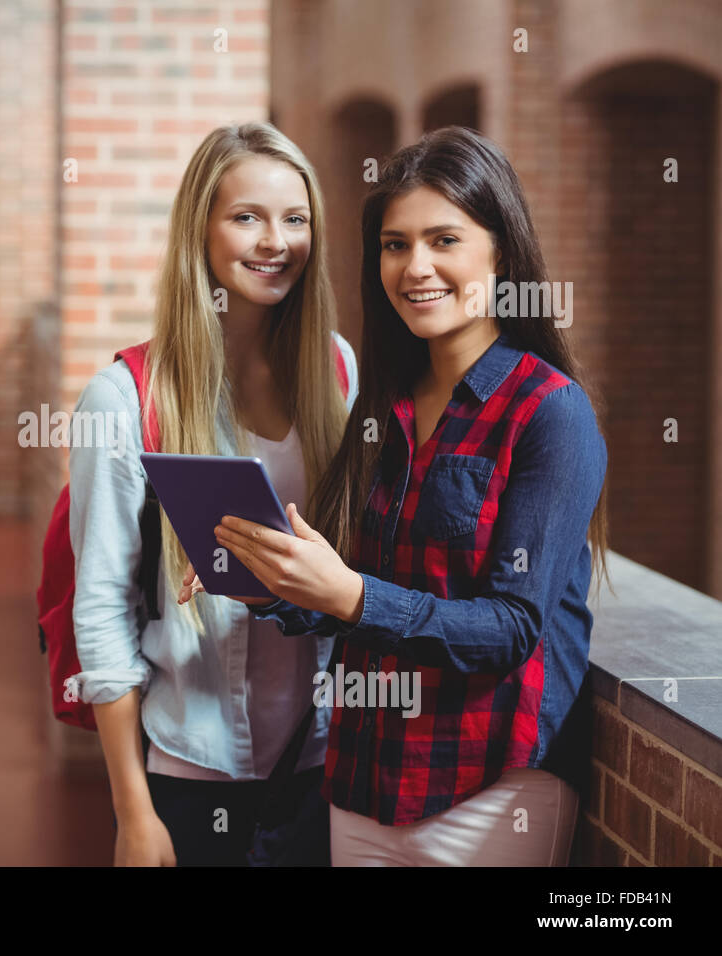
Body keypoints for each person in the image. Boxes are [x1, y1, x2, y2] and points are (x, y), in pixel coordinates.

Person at [180, 126, 608, 866]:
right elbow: (356, 588)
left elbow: (510, 628)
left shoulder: (550, 412)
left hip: (490, 787)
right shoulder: (384, 405)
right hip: (364, 781)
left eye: (444, 240)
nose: (416, 267)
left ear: (500, 251)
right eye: (394, 244)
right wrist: (266, 582)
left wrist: (347, 595)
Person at [67, 122, 357, 867]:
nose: (276, 241)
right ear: (201, 228)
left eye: (296, 219)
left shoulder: (339, 374)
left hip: (321, 766)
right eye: (247, 217)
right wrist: (134, 814)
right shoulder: (126, 399)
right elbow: (100, 610)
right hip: (189, 772)